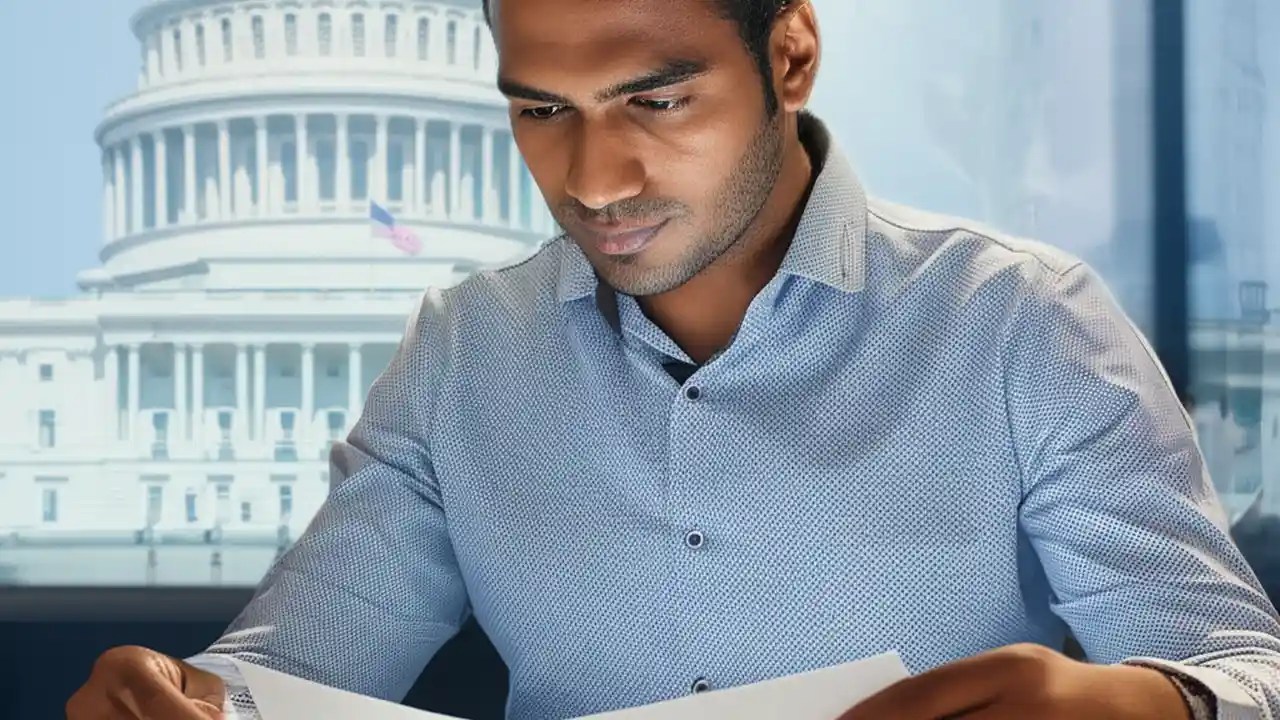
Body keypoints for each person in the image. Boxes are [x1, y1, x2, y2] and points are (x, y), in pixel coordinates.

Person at [68, 0, 1280, 718]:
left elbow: (1239, 666)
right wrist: (194, 702)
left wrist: (1143, 701)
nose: (592, 183)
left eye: (655, 102)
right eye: (542, 110)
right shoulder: (462, 351)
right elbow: (297, 666)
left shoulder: (1019, 318)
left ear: (789, 56)